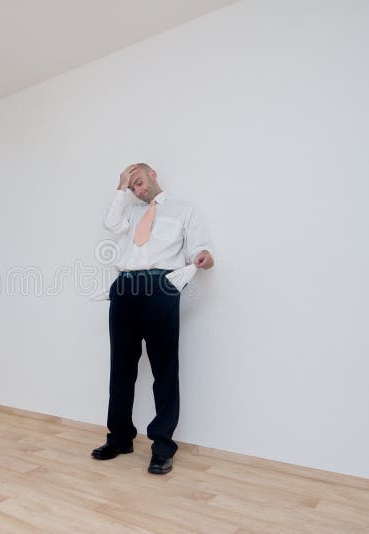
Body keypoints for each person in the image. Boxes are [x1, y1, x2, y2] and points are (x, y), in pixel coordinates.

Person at [92, 163, 214, 474]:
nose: (137, 188)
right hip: (125, 286)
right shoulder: (129, 212)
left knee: (164, 368)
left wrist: (205, 256)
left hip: (161, 286)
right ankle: (119, 438)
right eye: (131, 186)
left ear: (153, 174)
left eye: (138, 181)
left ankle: (162, 446)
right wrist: (120, 188)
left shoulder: (184, 209)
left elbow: (199, 246)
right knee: (121, 368)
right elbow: (110, 224)